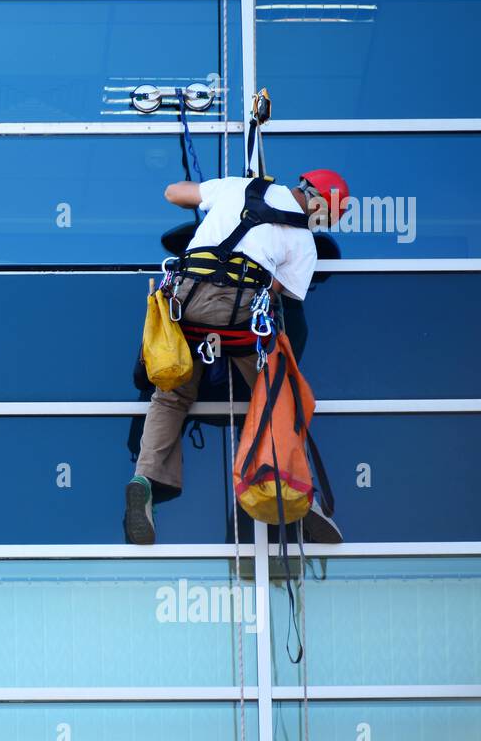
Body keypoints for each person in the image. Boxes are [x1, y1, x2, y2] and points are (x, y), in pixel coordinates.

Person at [123, 170, 348, 547]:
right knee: (275, 397)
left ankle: (144, 480)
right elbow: (277, 296)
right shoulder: (303, 241)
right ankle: (296, 490)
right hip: (236, 318)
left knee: (171, 395)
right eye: (330, 214)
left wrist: (220, 203)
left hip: (186, 302)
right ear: (321, 203)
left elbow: (174, 193)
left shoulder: (241, 187)